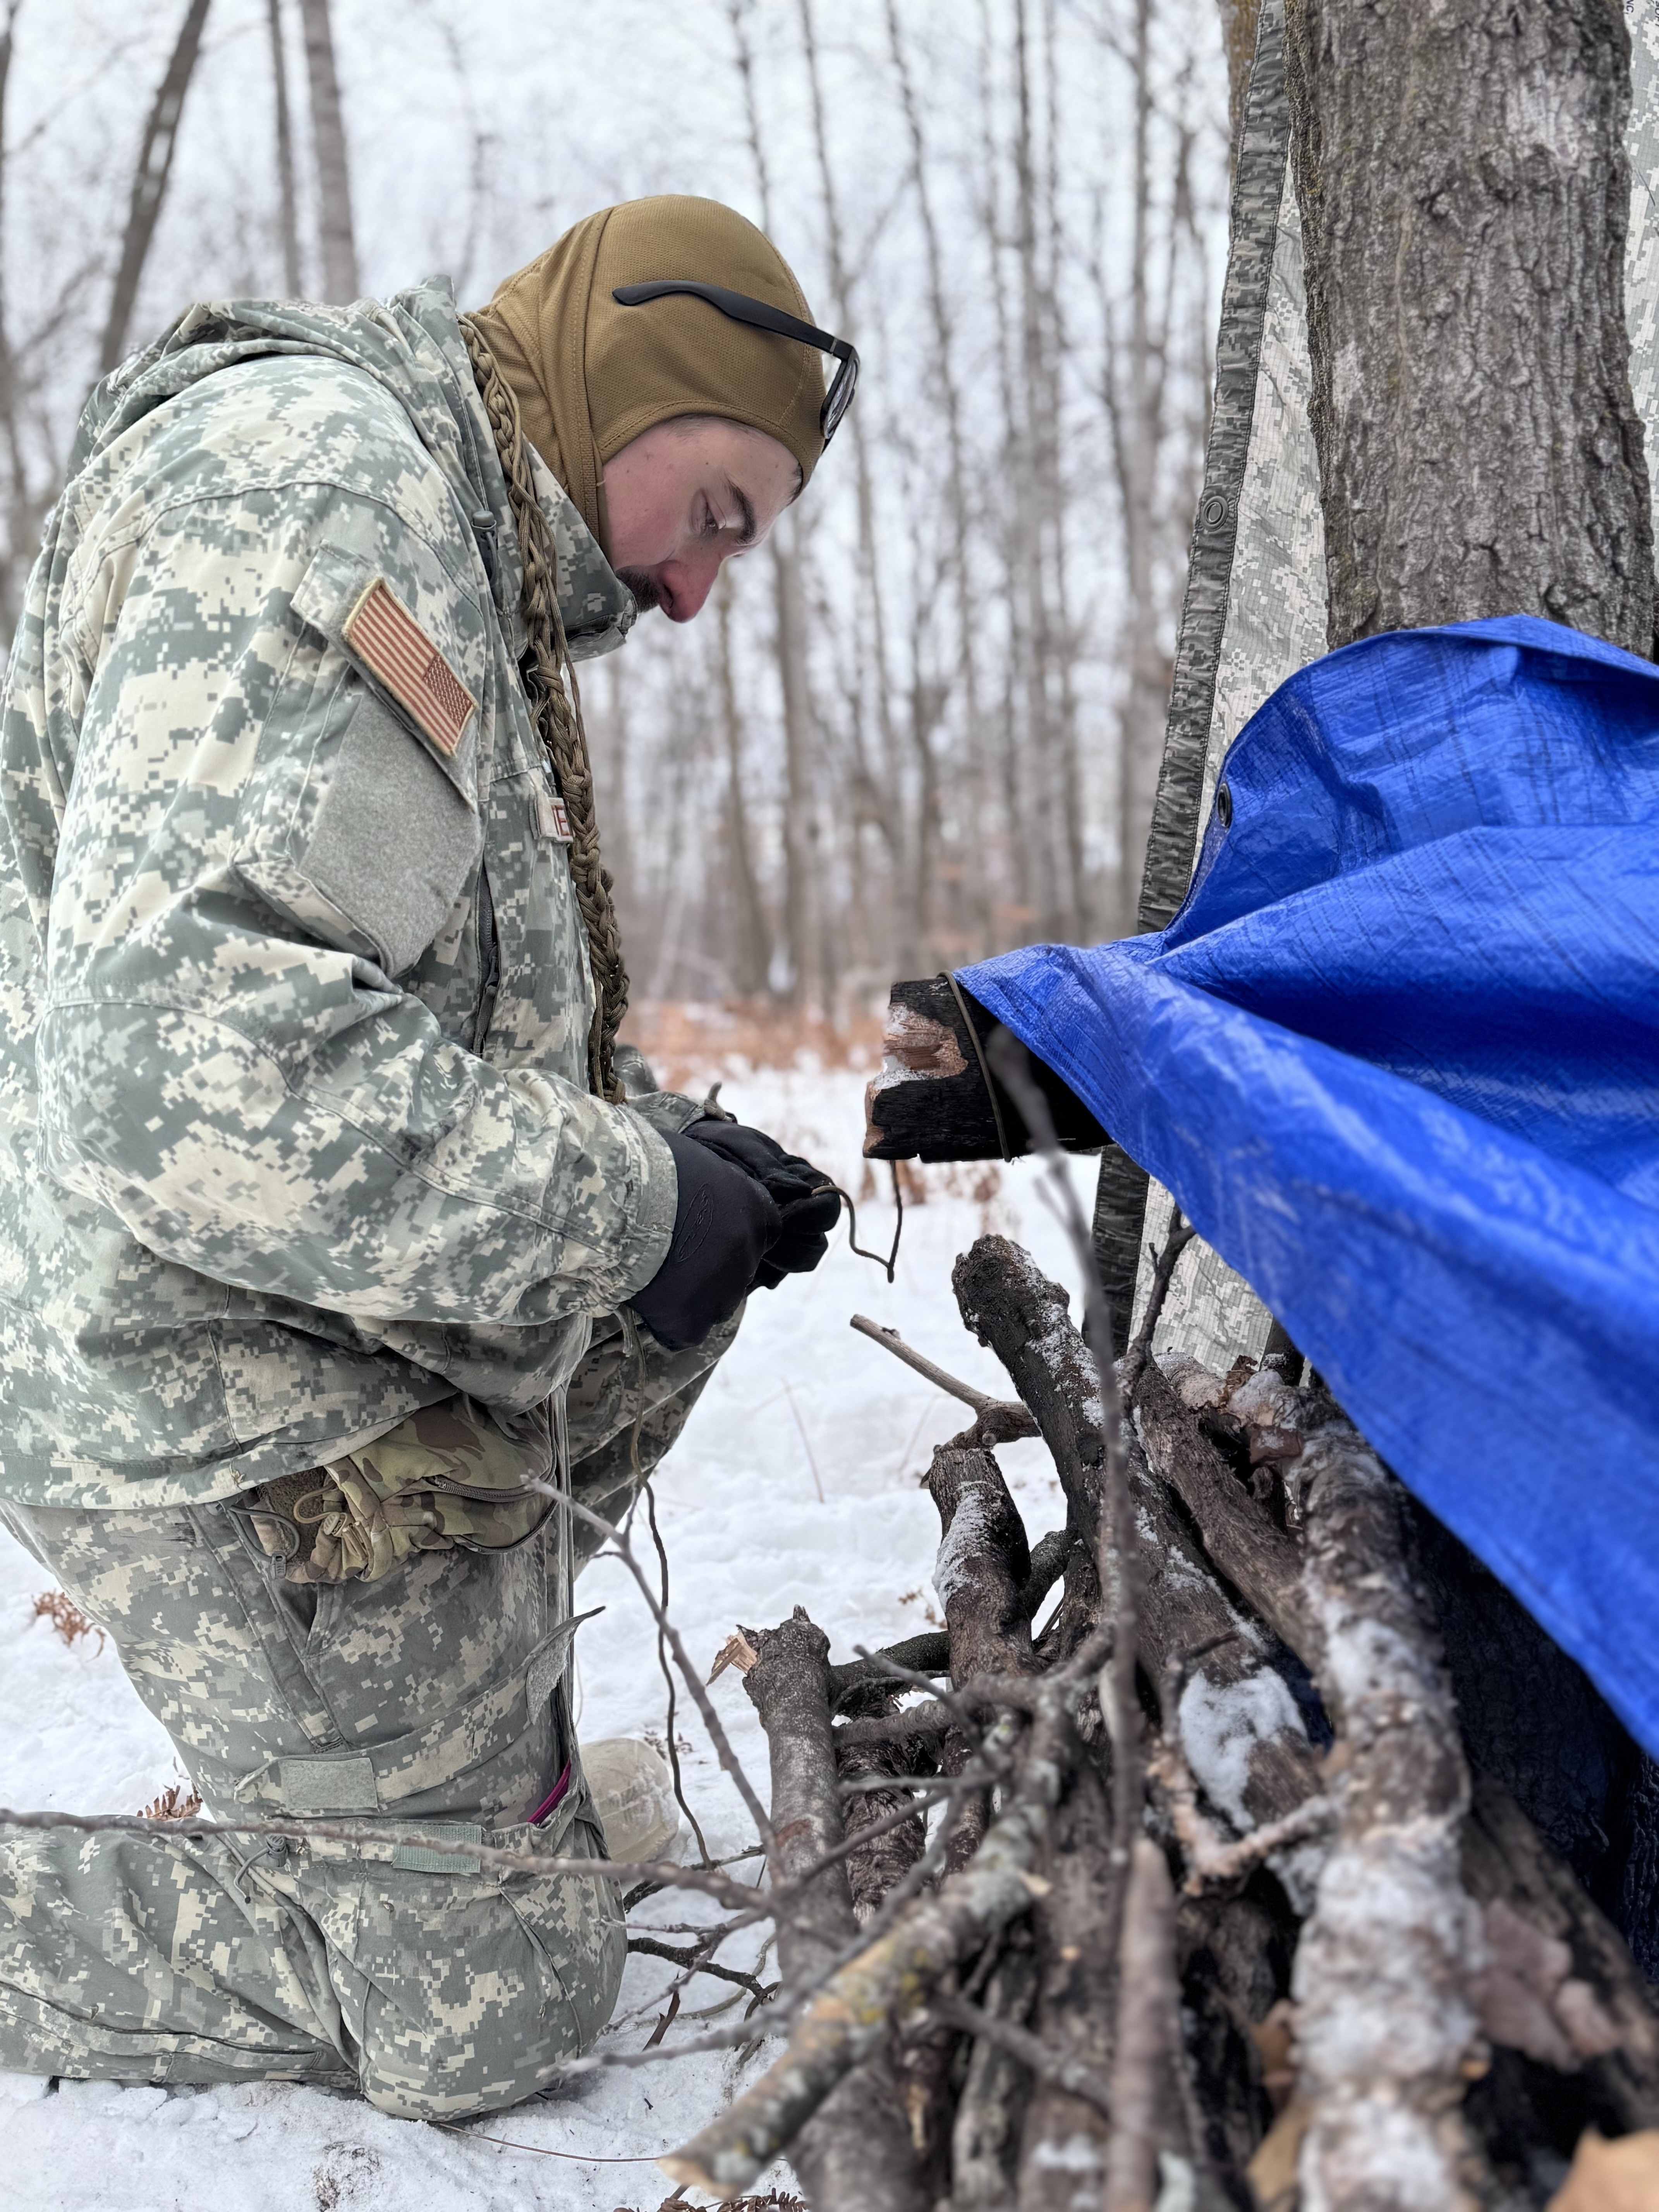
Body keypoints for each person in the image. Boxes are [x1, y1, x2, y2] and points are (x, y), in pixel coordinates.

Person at [0, 195, 852, 2116]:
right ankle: (434, 1867)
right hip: (205, 1391)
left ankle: (453, 1778)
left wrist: (665, 1168)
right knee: (502, 1999)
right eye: (714, 512)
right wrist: (624, 1201)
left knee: (675, 1276)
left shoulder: (455, 548)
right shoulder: (327, 488)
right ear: (629, 371)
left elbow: (383, 996)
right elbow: (179, 1061)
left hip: (298, 1339)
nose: (705, 592)